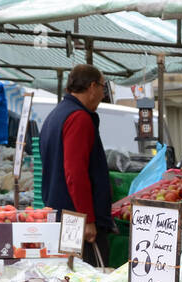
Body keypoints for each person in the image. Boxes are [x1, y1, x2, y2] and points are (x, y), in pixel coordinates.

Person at [39, 65, 113, 267]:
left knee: (70, 276)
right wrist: (87, 218)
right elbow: (75, 172)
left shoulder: (56, 115)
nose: (102, 94)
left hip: (63, 215)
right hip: (76, 220)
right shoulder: (78, 118)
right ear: (92, 87)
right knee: (87, 278)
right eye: (102, 87)